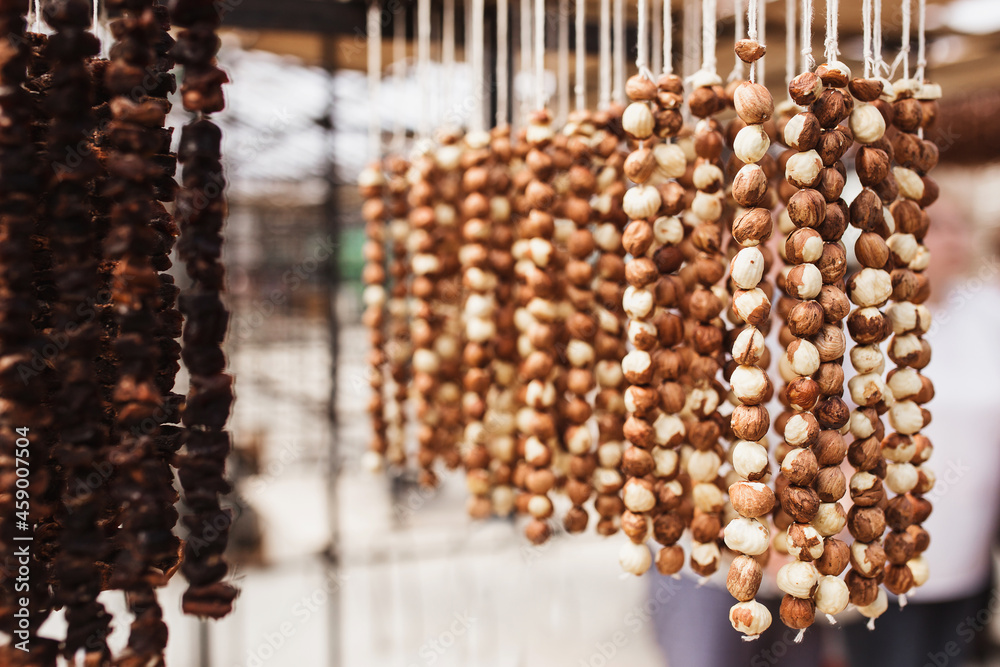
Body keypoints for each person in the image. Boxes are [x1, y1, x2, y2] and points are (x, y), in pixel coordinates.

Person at [841, 195, 1000, 667]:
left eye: (959, 227)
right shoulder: (864, 320)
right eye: (936, 228)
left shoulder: (989, 311)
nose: (952, 240)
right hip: (880, 546)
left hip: (970, 543)